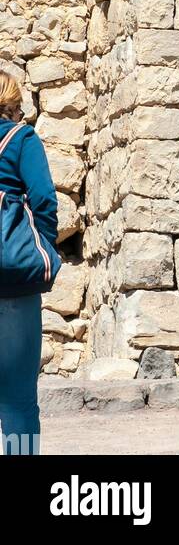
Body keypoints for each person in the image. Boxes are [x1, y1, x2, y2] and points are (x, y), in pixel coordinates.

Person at [0, 70, 58, 456]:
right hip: (13, 283)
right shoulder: (21, 140)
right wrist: (40, 249)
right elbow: (44, 201)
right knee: (18, 400)